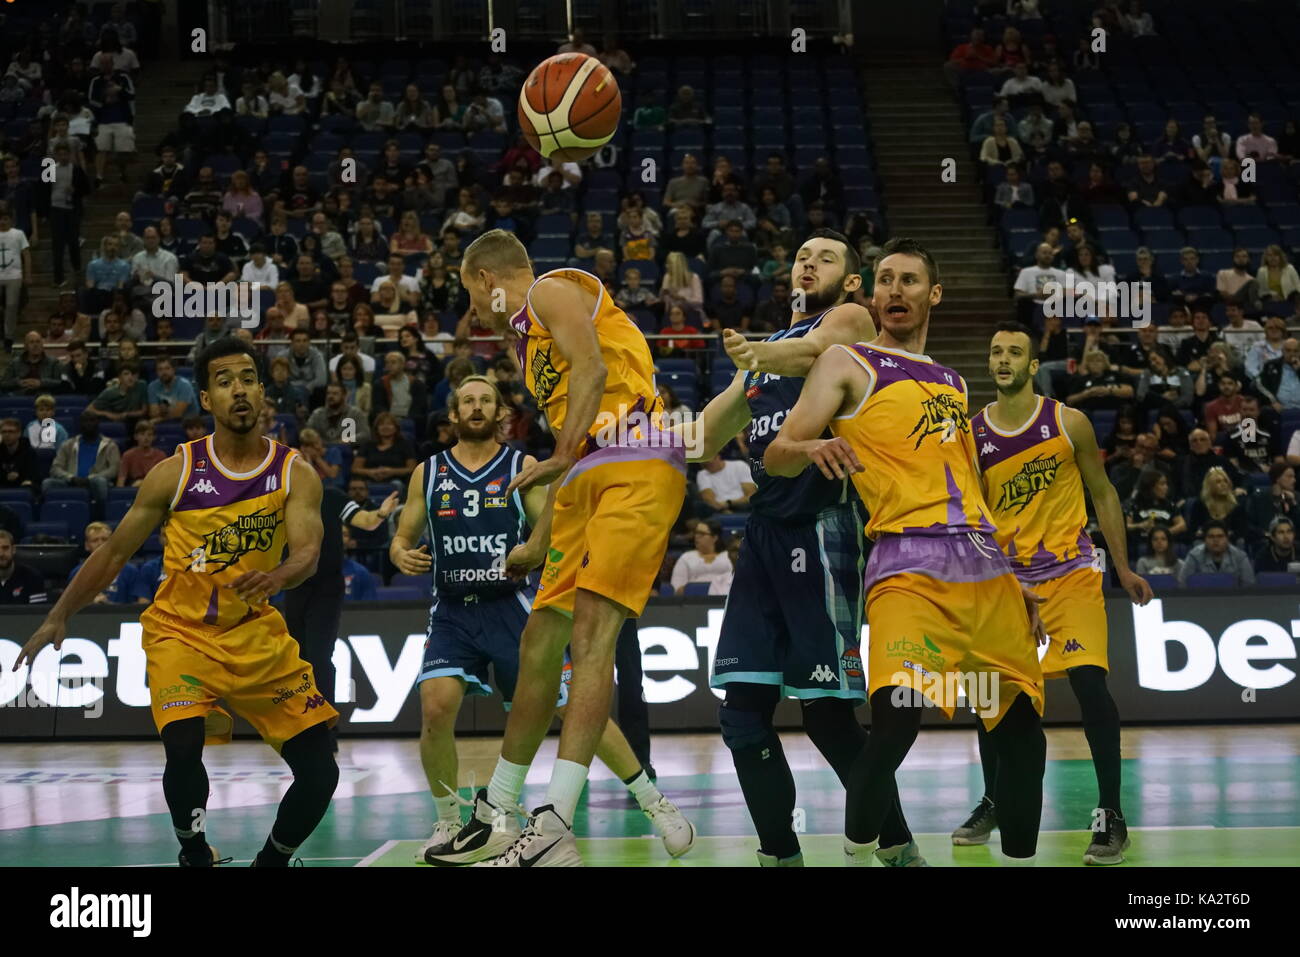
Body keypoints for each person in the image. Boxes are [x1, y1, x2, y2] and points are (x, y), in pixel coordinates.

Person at [764, 237, 1049, 866]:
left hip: (985, 569)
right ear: (870, 294)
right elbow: (775, 454)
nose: (895, 291)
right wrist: (812, 450)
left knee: (1022, 729)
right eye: (885, 280)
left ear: (933, 294)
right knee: (895, 723)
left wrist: (1014, 573)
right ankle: (862, 858)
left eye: (910, 281)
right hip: (905, 565)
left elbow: (971, 487)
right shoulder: (847, 361)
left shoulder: (951, 380)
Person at [14, 338, 339, 867]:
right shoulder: (177, 472)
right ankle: (194, 853)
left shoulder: (294, 473)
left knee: (321, 771)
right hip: (180, 633)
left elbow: (308, 551)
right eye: (225, 380)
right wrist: (59, 614)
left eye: (248, 378)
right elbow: (115, 552)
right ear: (206, 398)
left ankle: (273, 861)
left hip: (256, 636)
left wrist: (277, 575)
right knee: (184, 745)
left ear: (262, 392)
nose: (239, 389)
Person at [422, 229, 688, 866]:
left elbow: (595, 368)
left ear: (487, 280)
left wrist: (560, 455)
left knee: (593, 637)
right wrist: (540, 537)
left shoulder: (548, 290)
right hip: (589, 473)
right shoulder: (525, 345)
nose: (473, 306)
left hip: (639, 453)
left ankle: (556, 824)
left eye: (469, 291)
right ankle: (500, 809)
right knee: (540, 638)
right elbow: (573, 440)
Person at [680, 230, 923, 867]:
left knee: (830, 718)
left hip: (823, 528)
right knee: (741, 714)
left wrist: (753, 352)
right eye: (800, 255)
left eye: (826, 257)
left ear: (849, 280)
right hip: (762, 538)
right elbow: (703, 440)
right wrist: (617, 437)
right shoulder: (762, 358)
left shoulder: (849, 318)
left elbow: (812, 350)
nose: (807, 262)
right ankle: (778, 855)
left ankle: (895, 846)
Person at [957, 323, 1154, 864]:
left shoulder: (1069, 423)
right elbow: (971, 516)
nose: (1002, 360)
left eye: (1014, 352)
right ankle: (995, 798)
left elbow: (1103, 492)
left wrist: (1123, 566)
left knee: (1091, 688)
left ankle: (1111, 815)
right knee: (994, 701)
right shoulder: (973, 435)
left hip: (1071, 574)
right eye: (995, 351)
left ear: (1032, 362)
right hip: (1007, 583)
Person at [284, 474, 397, 753]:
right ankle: (300, 727)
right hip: (293, 584)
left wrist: (381, 513)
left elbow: (366, 521)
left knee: (321, 657)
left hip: (326, 587)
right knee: (298, 660)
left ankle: (325, 728)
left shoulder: (332, 496)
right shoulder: (280, 499)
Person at [45, 410, 121, 512]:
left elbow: (114, 469)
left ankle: (101, 513)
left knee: (100, 482)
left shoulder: (110, 445)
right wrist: (71, 478)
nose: (88, 424)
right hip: (72, 482)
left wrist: (91, 478)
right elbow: (55, 468)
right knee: (48, 483)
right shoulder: (68, 444)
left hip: (95, 483)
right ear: (80, 424)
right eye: (85, 421)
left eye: (92, 420)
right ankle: (54, 512)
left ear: (98, 423)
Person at [1177, 520, 1255, 586]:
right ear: (1204, 540)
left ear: (1227, 539)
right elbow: (1183, 584)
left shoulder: (1240, 557)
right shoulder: (1194, 556)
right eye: (1211, 537)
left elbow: (1249, 586)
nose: (1216, 540)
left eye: (1220, 536)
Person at [670, 520, 733, 595]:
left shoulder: (728, 556)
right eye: (696, 533)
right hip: (693, 599)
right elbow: (677, 586)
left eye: (702, 534)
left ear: (715, 537)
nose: (696, 537)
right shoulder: (686, 557)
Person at [0, 529, 47, 604]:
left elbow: (38, 614)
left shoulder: (33, 577)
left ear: (13, 550)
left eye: (5, 548)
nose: (1, 554)